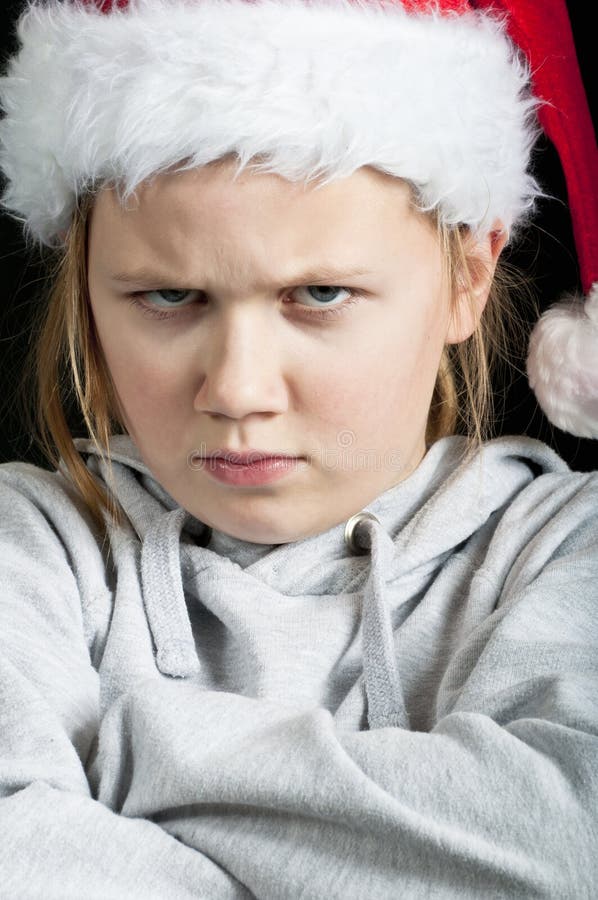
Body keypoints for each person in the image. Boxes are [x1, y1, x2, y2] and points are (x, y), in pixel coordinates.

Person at [0, 0, 596, 897]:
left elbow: (564, 844)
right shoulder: (30, 545)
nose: (236, 388)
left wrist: (137, 754)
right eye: (167, 297)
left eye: (318, 293)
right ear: (86, 291)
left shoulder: (569, 552)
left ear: (467, 278)